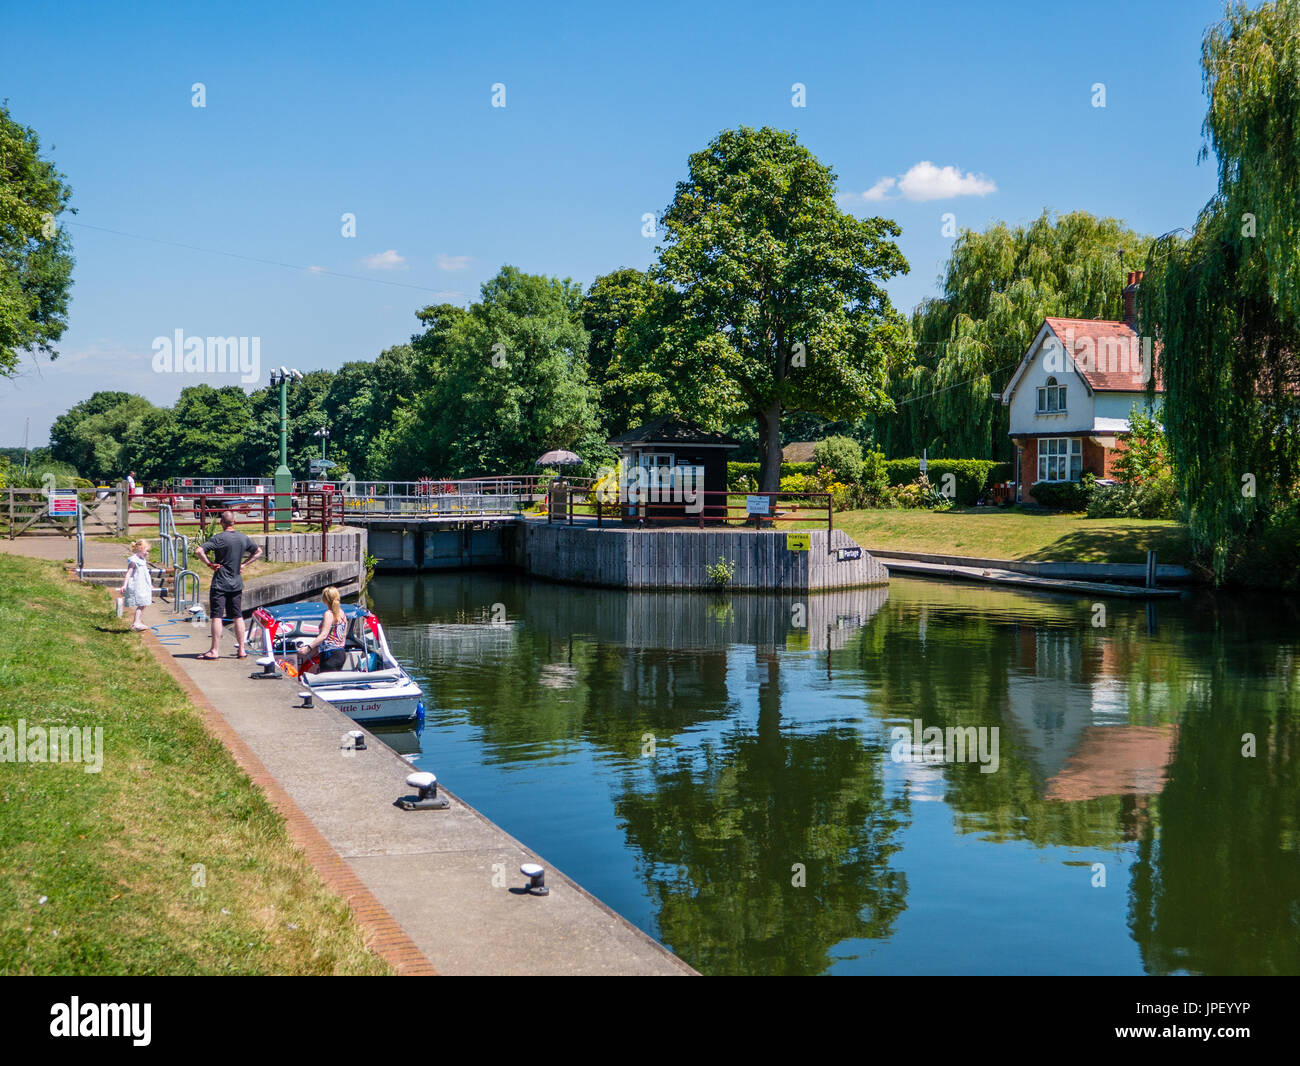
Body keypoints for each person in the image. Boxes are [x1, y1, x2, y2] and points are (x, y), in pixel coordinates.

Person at [194, 510, 262, 660]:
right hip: (236, 583)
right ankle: (242, 650)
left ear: (221, 523)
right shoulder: (243, 538)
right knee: (238, 616)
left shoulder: (218, 539)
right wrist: (244, 564)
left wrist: (209, 564)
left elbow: (199, 550)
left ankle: (214, 650)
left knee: (217, 616)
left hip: (220, 583)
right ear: (235, 521)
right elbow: (258, 551)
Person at [297, 586, 350, 672]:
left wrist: (308, 648)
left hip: (330, 655)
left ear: (325, 600)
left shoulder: (328, 614)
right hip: (340, 654)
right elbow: (343, 635)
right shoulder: (342, 613)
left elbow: (324, 635)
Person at [116, 539, 152, 631]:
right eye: (146, 551)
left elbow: (145, 574)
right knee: (142, 603)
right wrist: (124, 585)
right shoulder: (134, 560)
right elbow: (128, 573)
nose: (147, 553)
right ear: (140, 548)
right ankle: (136, 622)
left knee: (144, 603)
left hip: (143, 585)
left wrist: (149, 584)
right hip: (137, 585)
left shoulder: (142, 560)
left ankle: (138, 621)